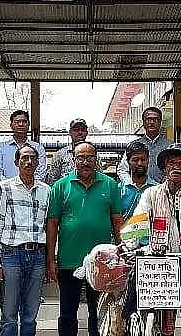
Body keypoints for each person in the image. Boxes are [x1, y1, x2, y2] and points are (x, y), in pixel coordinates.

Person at [132, 142, 181, 336]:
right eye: (171, 163)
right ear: (164, 167)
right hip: (159, 267)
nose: (176, 167)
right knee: (159, 325)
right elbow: (137, 223)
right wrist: (127, 246)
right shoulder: (151, 193)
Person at [47, 141, 123, 336]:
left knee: (98, 312)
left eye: (89, 157)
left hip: (102, 262)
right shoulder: (60, 186)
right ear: (74, 160)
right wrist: (51, 260)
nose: (85, 161)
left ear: (96, 160)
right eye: (81, 157)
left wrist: (121, 255)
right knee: (67, 312)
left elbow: (117, 222)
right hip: (68, 261)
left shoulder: (110, 185)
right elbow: (52, 224)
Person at [0, 144, 50, 336]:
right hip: (11, 255)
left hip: (38, 256)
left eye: (33, 158)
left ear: (38, 162)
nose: (29, 161)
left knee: (30, 314)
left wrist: (51, 258)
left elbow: (49, 227)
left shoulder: (46, 191)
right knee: (9, 314)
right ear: (16, 162)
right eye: (24, 158)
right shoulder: (5, 187)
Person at [117, 107, 172, 185]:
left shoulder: (169, 146)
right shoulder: (133, 145)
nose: (152, 122)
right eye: (149, 119)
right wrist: (130, 185)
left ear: (160, 122)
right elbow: (122, 170)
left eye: (155, 119)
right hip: (138, 190)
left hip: (162, 192)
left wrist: (163, 187)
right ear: (143, 123)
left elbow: (172, 169)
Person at [0, 110, 47, 184]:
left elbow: (41, 174)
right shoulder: (1, 148)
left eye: (24, 121)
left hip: (32, 190)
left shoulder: (38, 148)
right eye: (17, 122)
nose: (21, 124)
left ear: (28, 125)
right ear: (11, 126)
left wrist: (28, 186)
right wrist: (12, 187)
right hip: (8, 190)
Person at [119, 140, 158, 220]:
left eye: (143, 160)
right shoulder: (118, 190)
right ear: (128, 162)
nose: (139, 163)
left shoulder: (157, 189)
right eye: (135, 160)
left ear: (148, 161)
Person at [46, 118, 89, 185]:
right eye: (76, 130)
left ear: (87, 133)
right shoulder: (60, 154)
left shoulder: (94, 155)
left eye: (83, 130)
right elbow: (52, 180)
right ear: (70, 132)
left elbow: (99, 177)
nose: (80, 132)